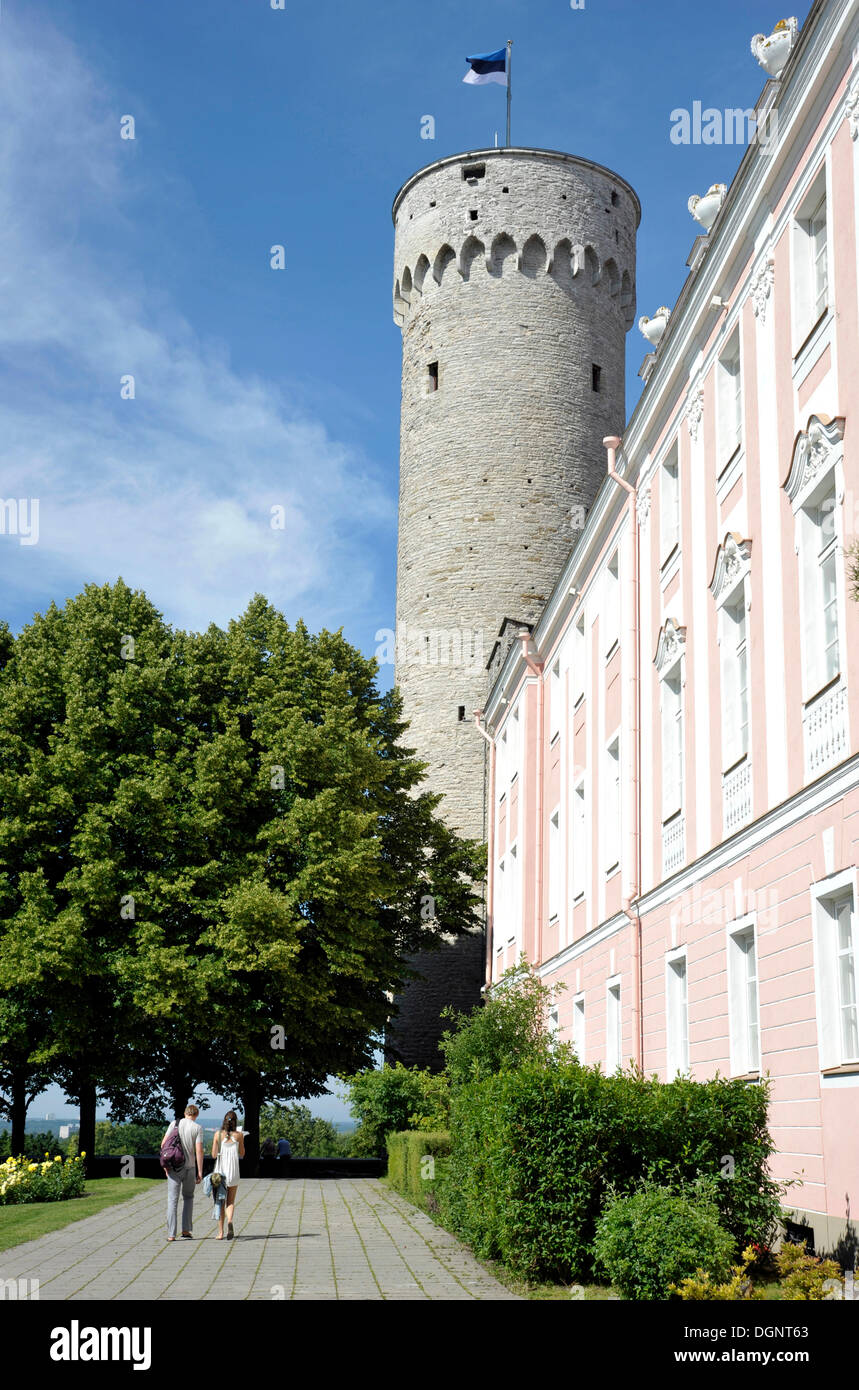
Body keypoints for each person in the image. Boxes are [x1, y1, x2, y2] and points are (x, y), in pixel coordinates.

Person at [161, 1104, 204, 1242]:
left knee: (172, 1200)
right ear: (196, 1115)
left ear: (185, 1113)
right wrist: (200, 1171)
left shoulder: (174, 1123)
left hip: (174, 1167)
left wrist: (165, 1166)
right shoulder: (197, 1128)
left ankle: (171, 1234)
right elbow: (199, 1151)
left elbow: (164, 1145)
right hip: (190, 1167)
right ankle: (186, 1230)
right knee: (188, 1198)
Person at [212, 1110, 244, 1240]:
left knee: (220, 1201)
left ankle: (220, 1232)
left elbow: (214, 1155)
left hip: (220, 1171)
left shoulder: (218, 1135)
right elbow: (242, 1153)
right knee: (230, 1201)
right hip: (234, 1171)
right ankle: (230, 1221)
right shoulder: (239, 1135)